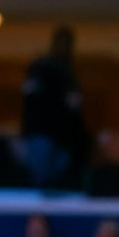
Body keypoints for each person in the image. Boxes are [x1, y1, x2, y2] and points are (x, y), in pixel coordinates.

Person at [23, 27, 87, 189]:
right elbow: (29, 97)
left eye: (67, 44)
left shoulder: (68, 70)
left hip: (63, 134)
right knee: (40, 178)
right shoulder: (40, 66)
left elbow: (75, 102)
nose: (64, 47)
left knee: (57, 179)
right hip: (41, 131)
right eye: (61, 43)